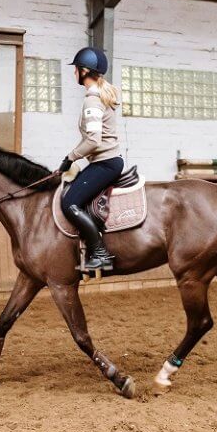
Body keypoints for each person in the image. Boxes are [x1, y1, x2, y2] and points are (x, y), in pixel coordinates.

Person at [58, 47, 124, 271]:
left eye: (75, 69)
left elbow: (93, 141)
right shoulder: (97, 97)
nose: (74, 73)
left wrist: (70, 158)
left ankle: (101, 253)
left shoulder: (92, 101)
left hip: (106, 163)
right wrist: (72, 160)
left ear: (84, 71)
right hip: (103, 161)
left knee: (69, 203)